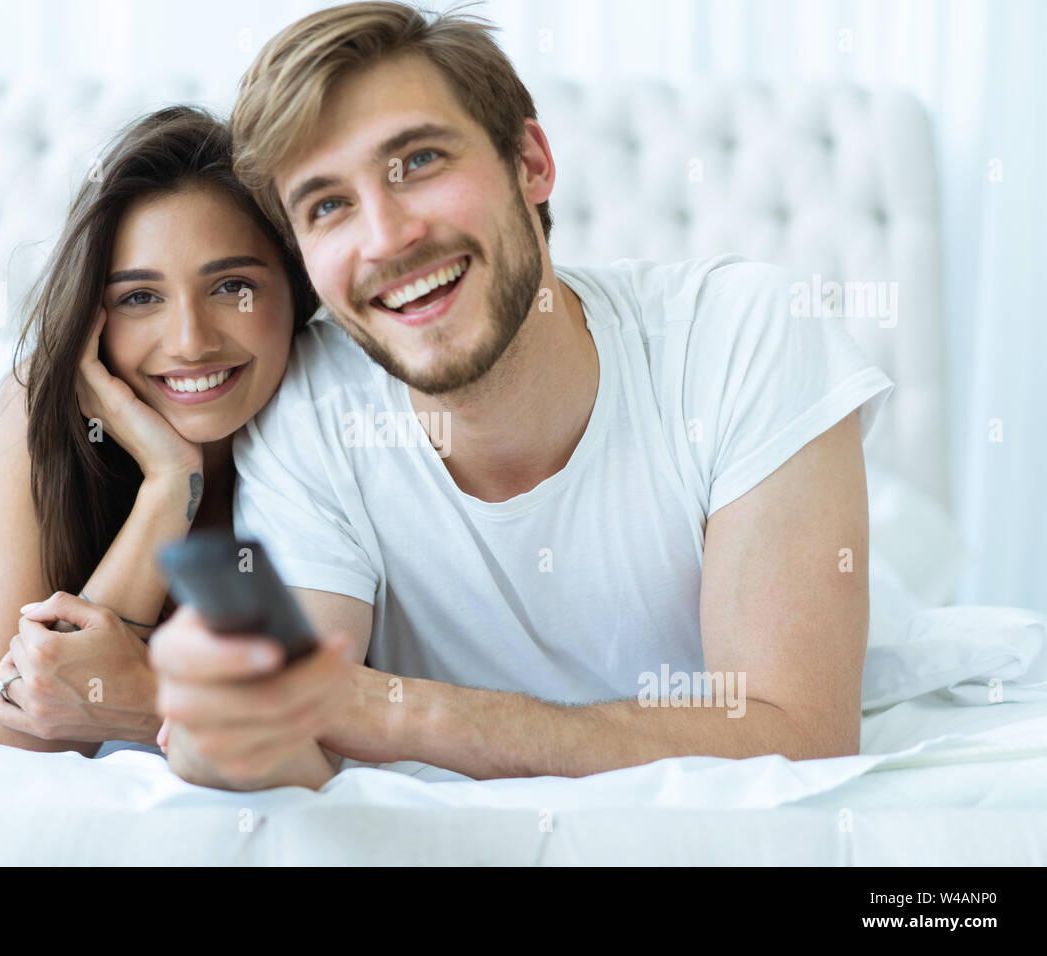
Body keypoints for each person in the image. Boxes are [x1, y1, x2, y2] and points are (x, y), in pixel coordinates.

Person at [147, 1, 896, 790]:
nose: (387, 237)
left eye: (421, 161)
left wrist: (404, 714)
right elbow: (300, 741)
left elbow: (797, 734)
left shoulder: (742, 335)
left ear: (530, 161)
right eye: (328, 205)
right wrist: (216, 723)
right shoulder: (310, 407)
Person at [0, 105, 353, 761]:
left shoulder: (340, 418)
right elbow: (3, 731)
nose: (191, 342)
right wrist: (172, 486)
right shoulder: (40, 406)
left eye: (231, 286)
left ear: (296, 289)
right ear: (94, 318)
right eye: (141, 297)